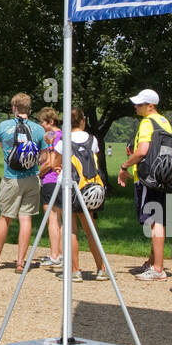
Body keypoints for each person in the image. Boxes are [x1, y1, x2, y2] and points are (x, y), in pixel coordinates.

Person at [118, 88, 172, 281]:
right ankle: (153, 261)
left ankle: (158, 269)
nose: (135, 107)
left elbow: (142, 151)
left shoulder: (146, 123)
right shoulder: (165, 121)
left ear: (150, 106)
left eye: (139, 104)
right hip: (164, 177)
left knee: (155, 221)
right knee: (158, 219)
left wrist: (124, 166)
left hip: (148, 179)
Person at [0, 93, 45, 273]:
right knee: (25, 218)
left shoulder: (4, 126)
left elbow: (3, 149)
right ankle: (21, 263)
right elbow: (42, 156)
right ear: (29, 109)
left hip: (11, 177)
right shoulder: (38, 129)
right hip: (32, 177)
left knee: (5, 217)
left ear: (14, 107)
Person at [60, 108, 108, 281]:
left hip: (72, 188)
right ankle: (101, 269)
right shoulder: (92, 139)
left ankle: (75, 270)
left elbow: (57, 162)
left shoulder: (64, 140)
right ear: (83, 121)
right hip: (90, 188)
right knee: (91, 230)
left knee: (72, 230)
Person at [36, 108, 65, 269]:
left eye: (43, 122)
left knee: (52, 219)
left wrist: (37, 175)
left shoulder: (52, 136)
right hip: (60, 181)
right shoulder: (63, 135)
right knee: (59, 220)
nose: (41, 125)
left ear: (51, 122)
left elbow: (50, 162)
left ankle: (54, 255)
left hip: (50, 180)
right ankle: (60, 254)